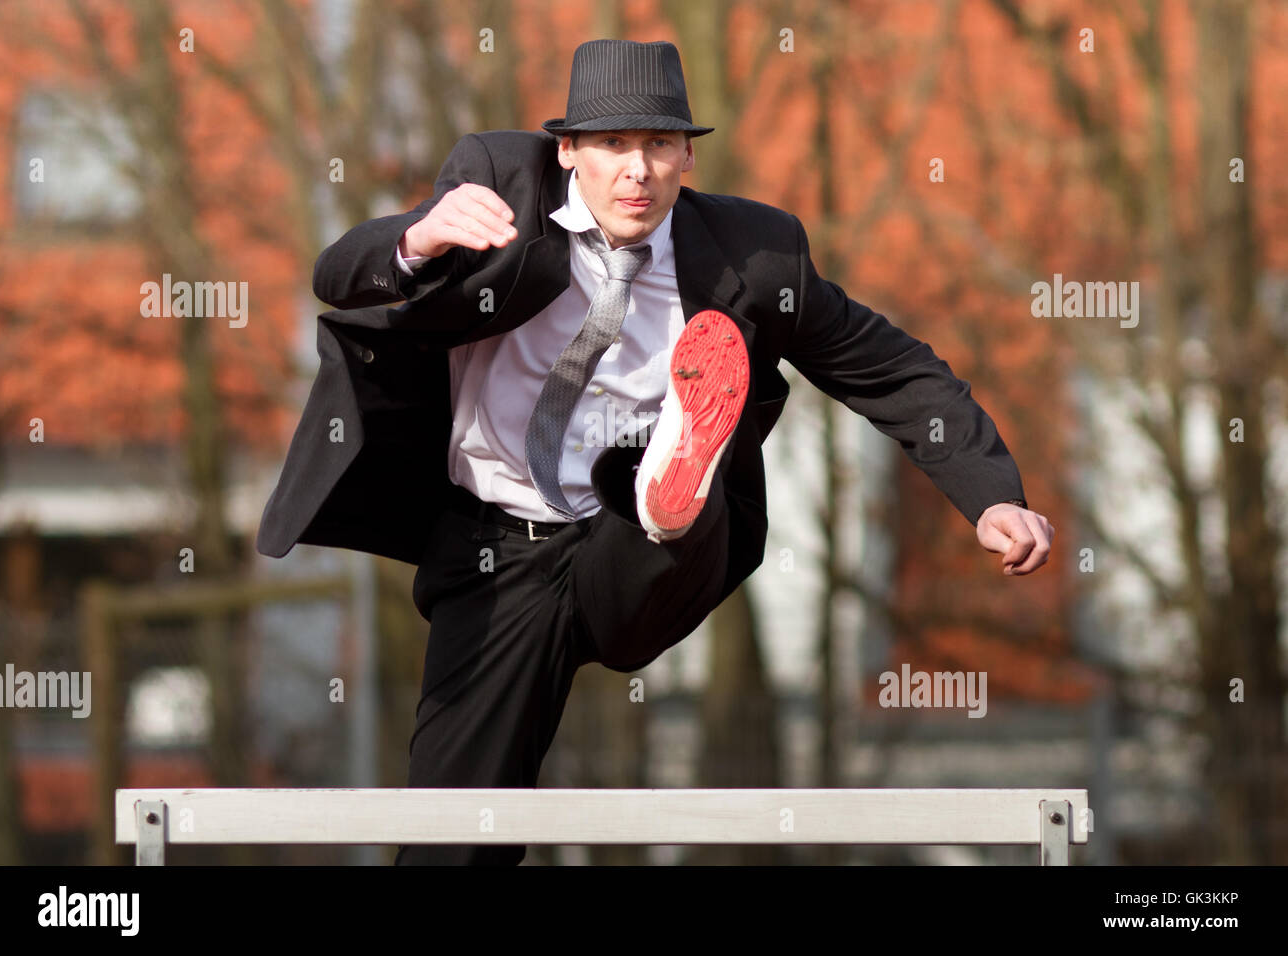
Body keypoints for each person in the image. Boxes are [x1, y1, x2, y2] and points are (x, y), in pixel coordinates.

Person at [255, 38, 1054, 865]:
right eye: (611, 148)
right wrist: (414, 243)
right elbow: (337, 273)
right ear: (567, 150)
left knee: (656, 515)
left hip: (635, 551)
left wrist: (990, 493)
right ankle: (660, 486)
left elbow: (887, 364)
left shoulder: (753, 254)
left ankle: (670, 477)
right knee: (452, 838)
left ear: (686, 157)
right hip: (495, 549)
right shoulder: (498, 184)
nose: (635, 173)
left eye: (658, 147)